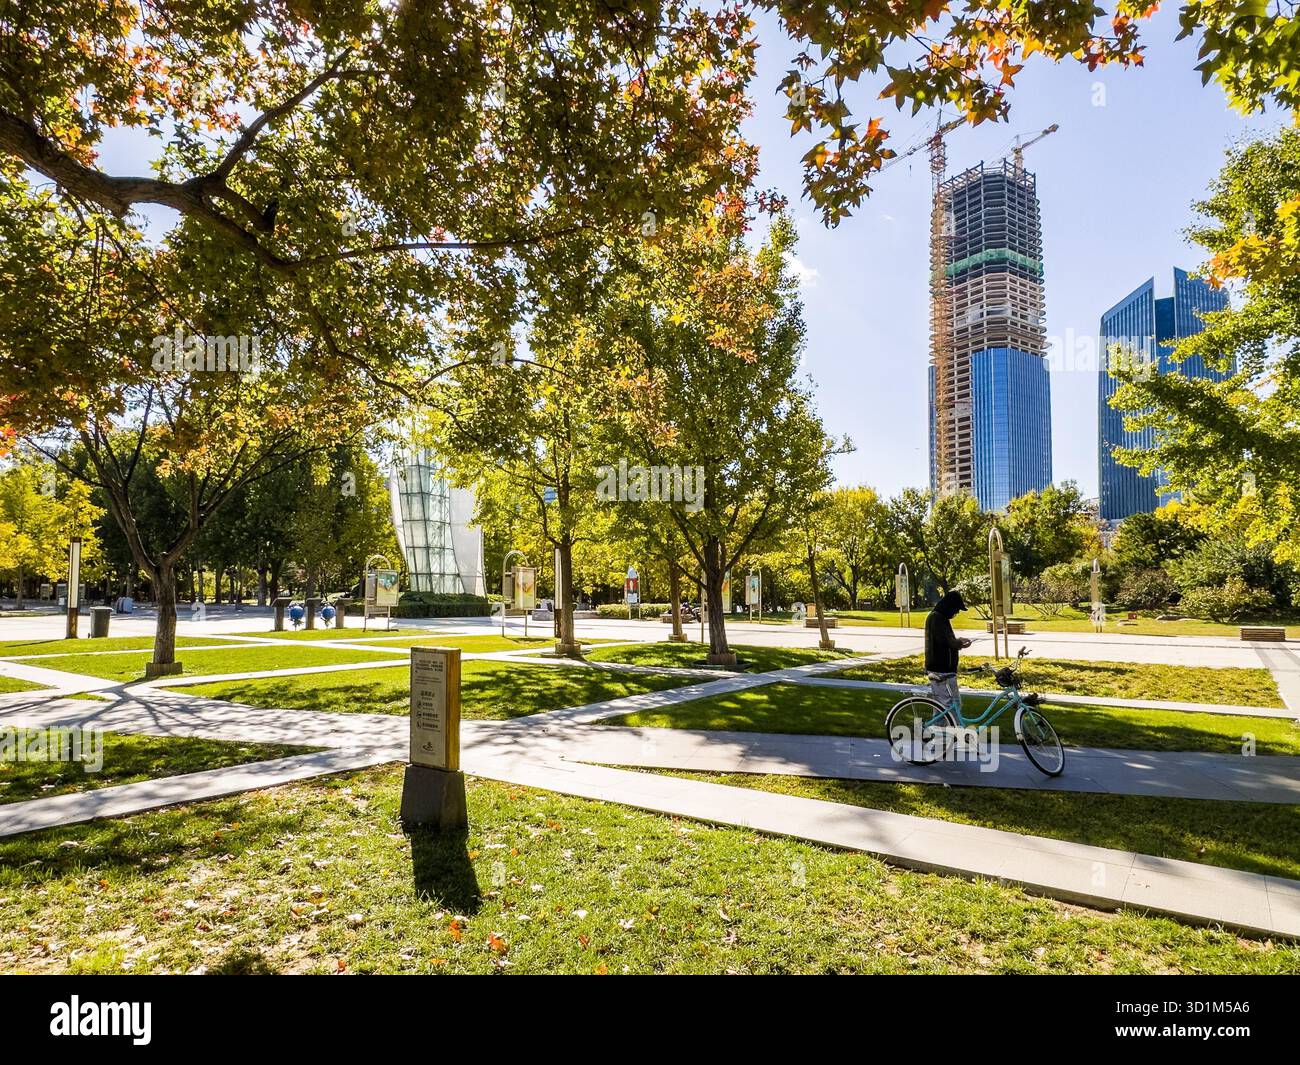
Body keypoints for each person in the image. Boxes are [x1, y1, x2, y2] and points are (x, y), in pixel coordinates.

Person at [924, 589, 972, 709]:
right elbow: (946, 641)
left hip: (946, 669)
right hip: (940, 669)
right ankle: (940, 727)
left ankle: (952, 726)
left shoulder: (940, 617)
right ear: (949, 606)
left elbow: (947, 639)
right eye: (956, 609)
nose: (956, 612)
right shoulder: (937, 618)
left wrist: (958, 641)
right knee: (945, 706)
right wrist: (959, 643)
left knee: (954, 705)